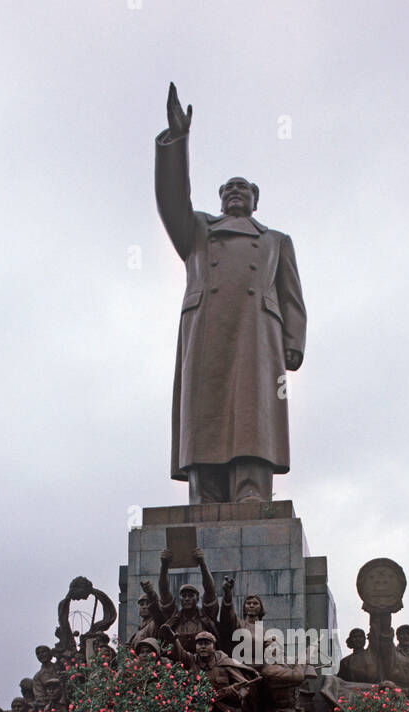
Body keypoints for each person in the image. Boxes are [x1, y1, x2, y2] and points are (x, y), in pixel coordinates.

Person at [155, 83, 307, 503]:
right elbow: (171, 202)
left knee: (253, 411)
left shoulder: (275, 239)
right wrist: (177, 141)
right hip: (207, 326)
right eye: (228, 188)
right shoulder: (200, 230)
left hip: (258, 330)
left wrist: (293, 341)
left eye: (243, 188)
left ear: (255, 202)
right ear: (220, 199)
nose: (235, 192)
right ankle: (207, 492)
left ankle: (250, 490)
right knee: (205, 409)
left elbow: (292, 294)